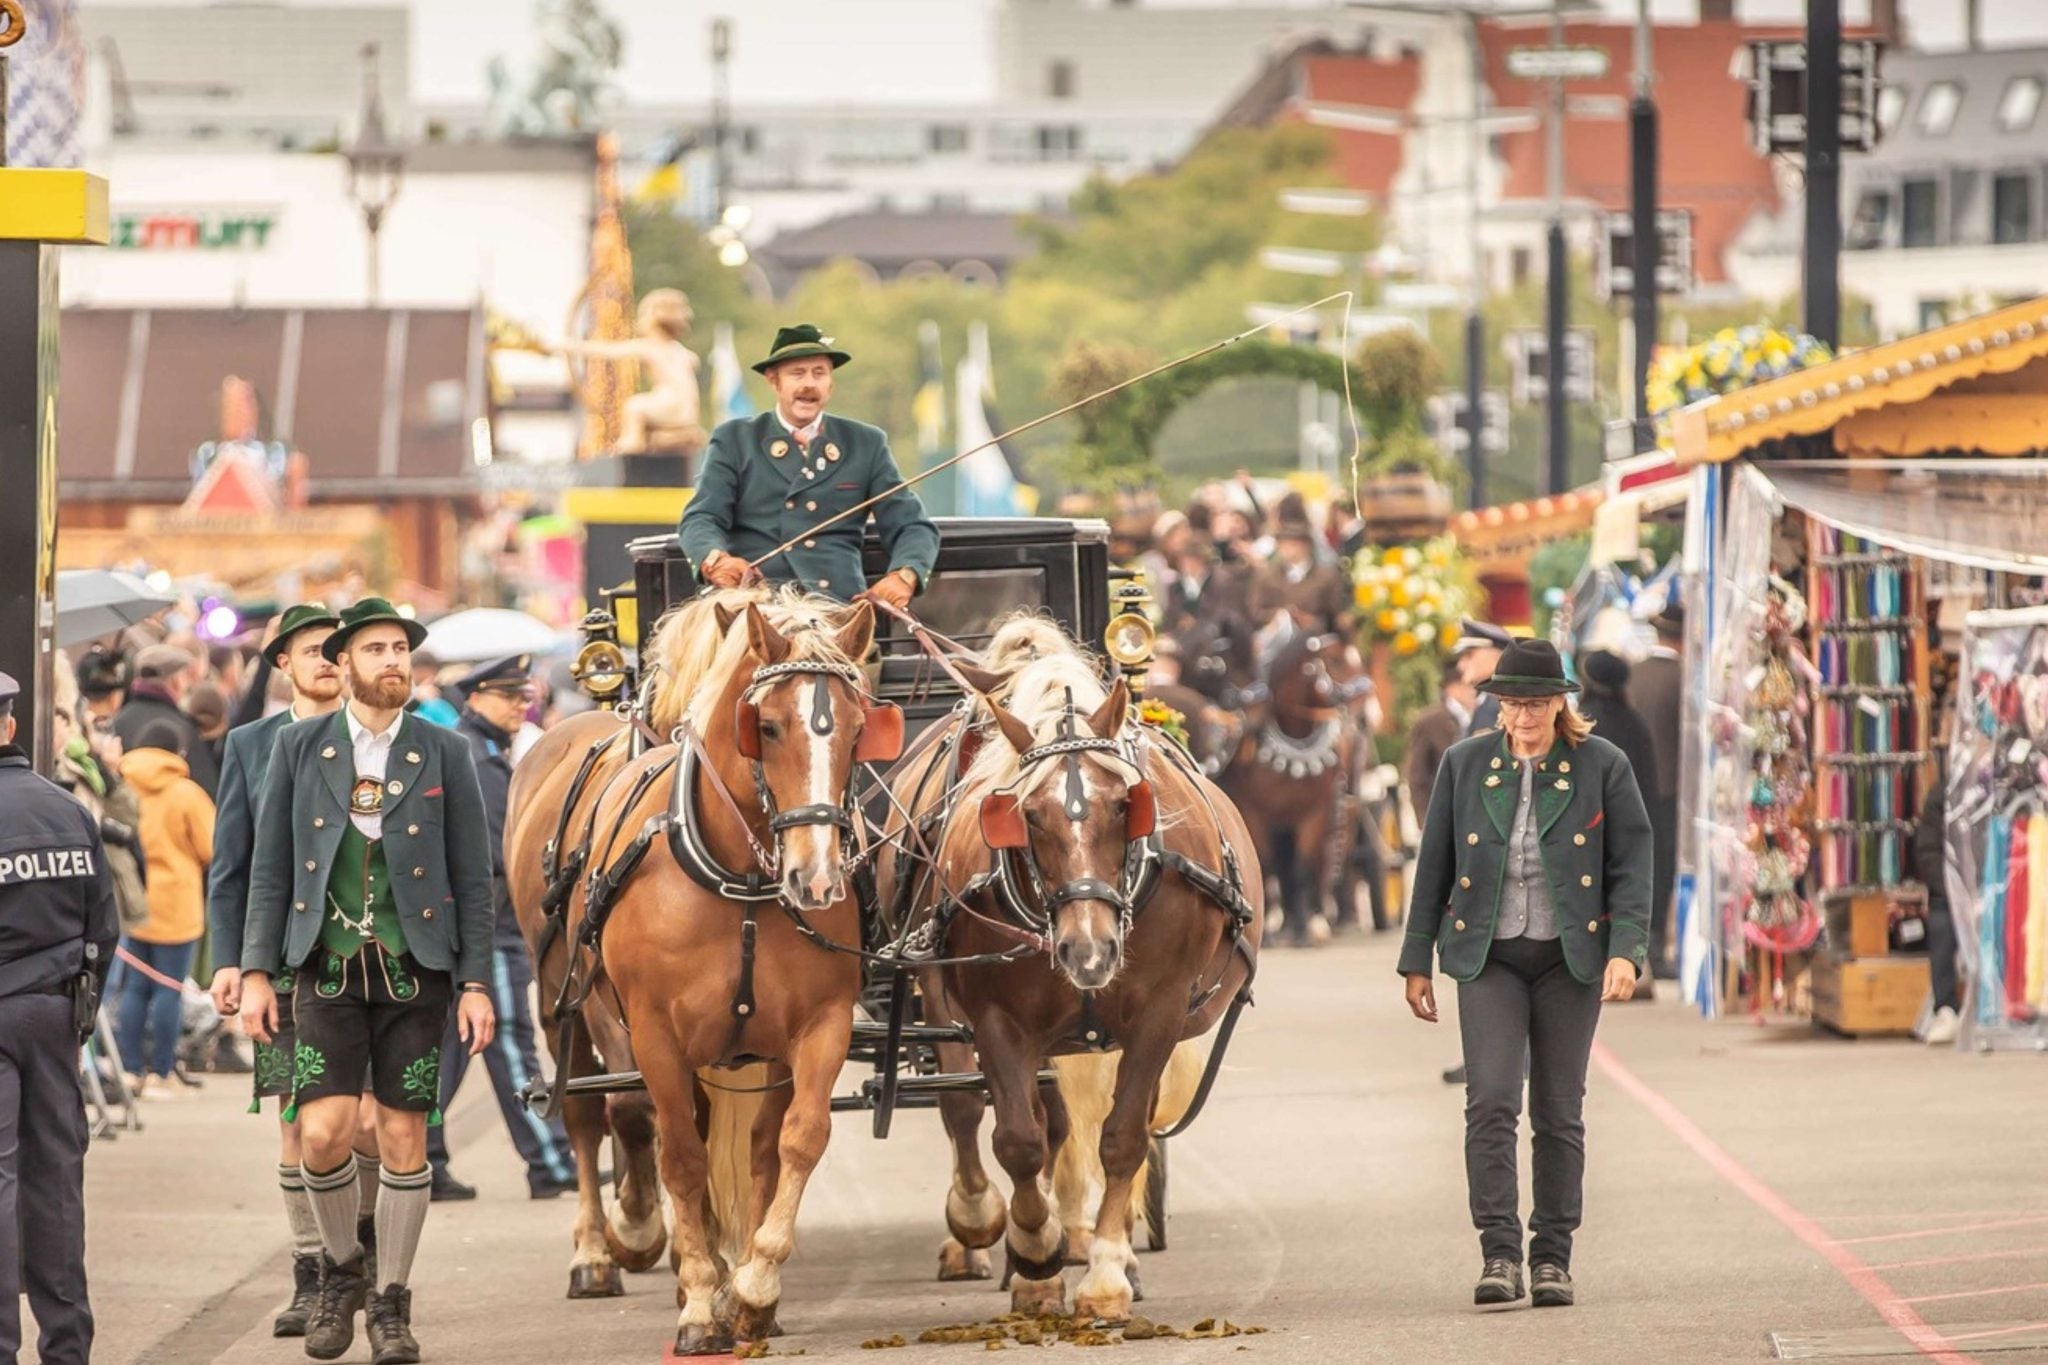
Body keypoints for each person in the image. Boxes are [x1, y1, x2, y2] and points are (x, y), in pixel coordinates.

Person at [240, 597, 498, 1365]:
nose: (393, 660)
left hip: (417, 971)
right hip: (323, 966)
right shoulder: (301, 748)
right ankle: (341, 1272)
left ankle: (391, 1303)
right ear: (343, 662)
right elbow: (269, 870)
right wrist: (256, 970)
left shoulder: (443, 750)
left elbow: (473, 881)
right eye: (376, 649)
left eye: (401, 648)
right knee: (319, 1133)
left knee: (400, 1135)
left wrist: (477, 981)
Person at [1399, 638, 1651, 1310]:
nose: (1525, 715)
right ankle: (1500, 1250)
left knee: (1559, 1109)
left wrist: (1626, 948)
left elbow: (1632, 860)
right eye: (1513, 703)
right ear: (1498, 705)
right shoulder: (1465, 763)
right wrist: (1416, 958)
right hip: (1489, 955)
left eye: (1537, 703)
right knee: (1490, 1099)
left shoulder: (1602, 765)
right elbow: (1435, 866)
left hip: (1571, 959)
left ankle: (1552, 1257)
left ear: (1559, 703)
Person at [206, 603, 359, 1339]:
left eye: (337, 647)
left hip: (366, 960)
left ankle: (358, 1260)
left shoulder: (376, 739)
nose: (328, 658)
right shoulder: (250, 744)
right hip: (285, 963)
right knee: (296, 1119)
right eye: (312, 649)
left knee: (362, 1122)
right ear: (283, 664)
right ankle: (314, 1272)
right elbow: (231, 863)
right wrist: (232, 959)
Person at [0, 670, 119, 1365]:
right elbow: (104, 925)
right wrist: (78, 1014)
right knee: (56, 1186)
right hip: (52, 1015)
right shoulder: (66, 809)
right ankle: (67, 1346)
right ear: (12, 726)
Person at [426, 655, 574, 1202]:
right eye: (510, 696)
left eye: (525, 698)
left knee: (449, 1049)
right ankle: (553, 1160)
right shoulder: (475, 755)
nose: (521, 706)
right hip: (491, 925)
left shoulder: (483, 752)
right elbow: (495, 854)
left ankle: (422, 1159)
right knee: (510, 1039)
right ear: (477, 698)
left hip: (478, 925)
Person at [680, 323, 939, 607]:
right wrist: (716, 559)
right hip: (756, 607)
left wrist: (905, 574)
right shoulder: (735, 440)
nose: (808, 384)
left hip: (837, 610)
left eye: (819, 373)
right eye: (797, 373)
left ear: (830, 384)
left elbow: (912, 525)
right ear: (773, 381)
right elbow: (702, 518)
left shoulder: (865, 442)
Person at [115, 718, 215, 1095]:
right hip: (177, 900)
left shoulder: (122, 784)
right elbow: (210, 847)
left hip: (133, 897)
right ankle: (161, 1069)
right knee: (169, 988)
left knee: (136, 987)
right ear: (178, 753)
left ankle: (128, 1068)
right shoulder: (186, 793)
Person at [551, 288, 704, 455]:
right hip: (688, 410)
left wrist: (569, 346)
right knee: (644, 404)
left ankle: (631, 444)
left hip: (671, 405)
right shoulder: (679, 350)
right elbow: (693, 361)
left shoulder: (648, 346)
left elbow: (607, 350)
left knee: (634, 406)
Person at [1627, 601, 1685, 979]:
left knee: (1632, 869)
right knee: (1662, 871)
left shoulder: (1632, 675)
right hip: (1667, 790)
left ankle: (1632, 948)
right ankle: (1656, 949)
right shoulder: (1684, 678)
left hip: (1629, 787)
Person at [116, 642, 220, 797]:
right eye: (184, 676)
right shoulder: (181, 728)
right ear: (176, 681)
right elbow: (205, 789)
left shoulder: (119, 720)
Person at [1248, 524, 1353, 637]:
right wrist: (1282, 615)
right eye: (1283, 544)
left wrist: (1314, 622)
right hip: (1274, 635)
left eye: (1294, 544)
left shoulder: (1327, 576)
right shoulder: (1266, 576)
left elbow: (1337, 613)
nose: (1288, 550)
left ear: (1307, 546)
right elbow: (1255, 612)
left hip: (1316, 637)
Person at [1407, 654, 1475, 820]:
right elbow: (1418, 775)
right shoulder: (1430, 720)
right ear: (1453, 688)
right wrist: (1425, 822)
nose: (1474, 693)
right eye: (1470, 687)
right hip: (1443, 813)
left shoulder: (1479, 716)